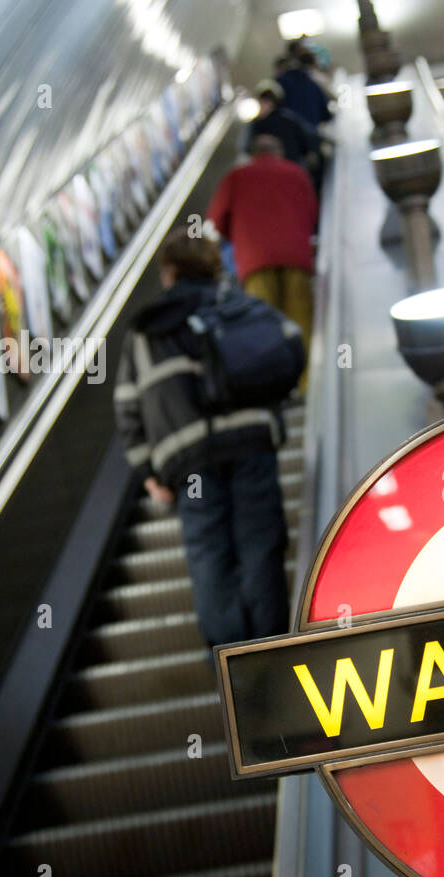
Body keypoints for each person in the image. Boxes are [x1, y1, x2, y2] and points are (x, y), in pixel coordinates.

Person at [114, 228, 294, 647]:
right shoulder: (241, 306)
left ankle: (233, 671)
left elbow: (127, 406)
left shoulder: (144, 331)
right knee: (260, 546)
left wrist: (148, 470)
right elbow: (291, 346)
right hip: (250, 445)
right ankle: (273, 655)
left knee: (209, 558)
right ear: (215, 266)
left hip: (187, 460)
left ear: (170, 272)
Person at [207, 134, 318, 345]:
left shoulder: (236, 177)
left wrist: (240, 239)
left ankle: (279, 376)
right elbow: (312, 213)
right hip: (296, 259)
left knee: (266, 327)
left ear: (252, 154)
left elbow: (217, 221)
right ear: (279, 152)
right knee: (301, 324)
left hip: (254, 262)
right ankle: (309, 376)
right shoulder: (296, 172)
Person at [242, 79, 321, 175]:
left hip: (287, 172)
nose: (264, 104)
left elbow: (310, 138)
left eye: (268, 101)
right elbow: (246, 148)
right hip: (271, 173)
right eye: (262, 100)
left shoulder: (288, 120)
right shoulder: (256, 124)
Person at [277, 47, 333, 129]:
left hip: (287, 131)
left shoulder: (279, 82)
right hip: (310, 131)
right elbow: (326, 113)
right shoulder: (313, 81)